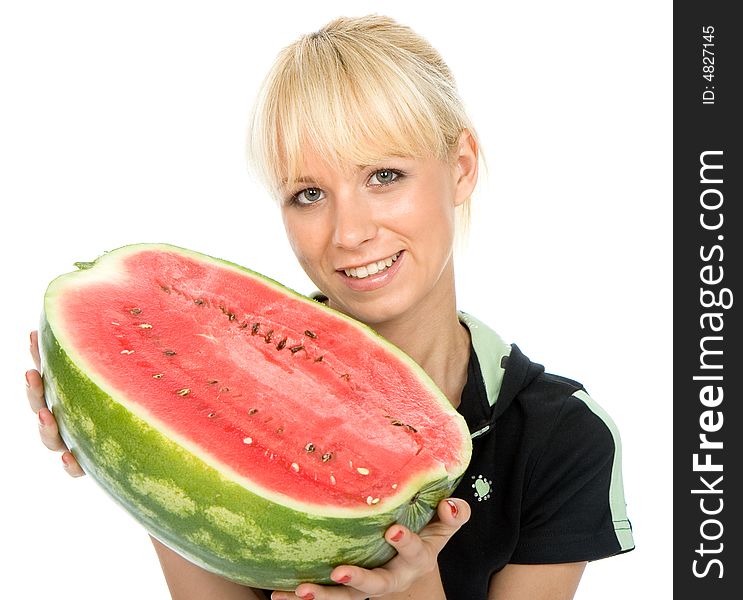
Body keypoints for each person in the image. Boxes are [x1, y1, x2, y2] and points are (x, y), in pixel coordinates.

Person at [26, 14, 634, 600]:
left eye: (384, 176)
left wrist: (411, 582)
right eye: (308, 194)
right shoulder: (225, 361)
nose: (348, 232)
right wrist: (136, 450)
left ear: (461, 168)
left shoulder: (563, 438)